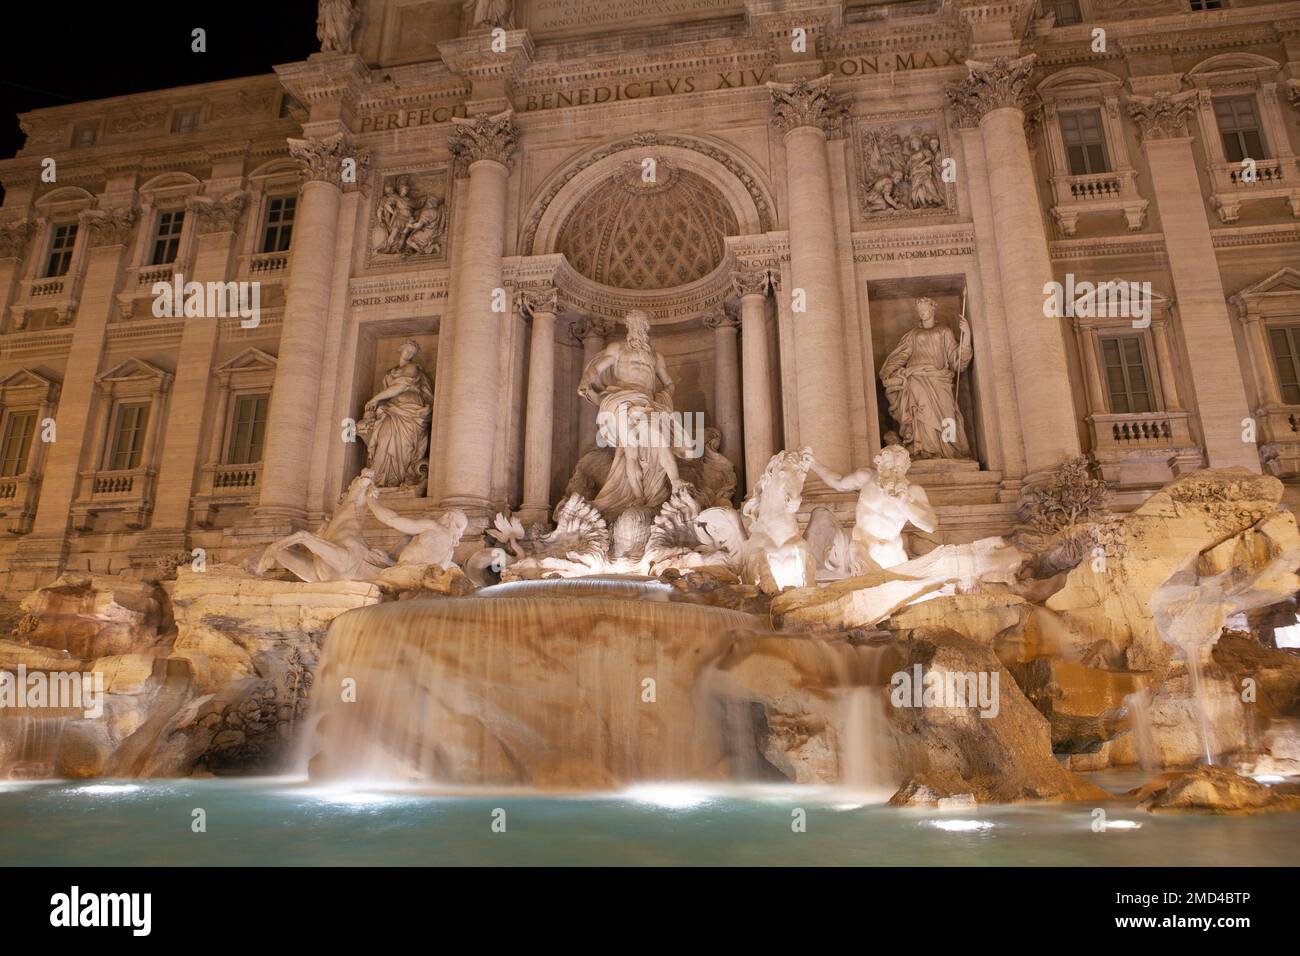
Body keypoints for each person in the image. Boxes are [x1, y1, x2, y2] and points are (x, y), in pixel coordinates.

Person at [809, 444, 937, 572]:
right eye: (889, 466)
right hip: (860, 548)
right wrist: (813, 463)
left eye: (899, 468)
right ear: (880, 464)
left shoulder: (912, 491)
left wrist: (904, 503)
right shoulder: (866, 477)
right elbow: (838, 482)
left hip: (890, 554)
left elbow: (931, 525)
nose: (894, 471)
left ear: (906, 468)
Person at [879, 296, 972, 459]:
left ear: (932, 309)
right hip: (916, 377)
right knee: (921, 413)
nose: (922, 313)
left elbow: (956, 360)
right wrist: (888, 371)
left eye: (925, 309)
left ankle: (951, 452)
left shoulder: (944, 331)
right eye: (919, 310)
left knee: (948, 414)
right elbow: (901, 355)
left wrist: (967, 335)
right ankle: (924, 449)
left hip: (940, 379)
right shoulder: (913, 335)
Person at [357, 340, 434, 487]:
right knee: (384, 438)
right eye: (407, 350)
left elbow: (400, 386)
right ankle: (379, 480)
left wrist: (375, 399)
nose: (409, 353)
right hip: (392, 410)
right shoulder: (390, 372)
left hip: (410, 412)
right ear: (401, 349)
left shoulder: (412, 368)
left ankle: (397, 481)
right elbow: (388, 394)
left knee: (404, 447)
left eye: (412, 352)